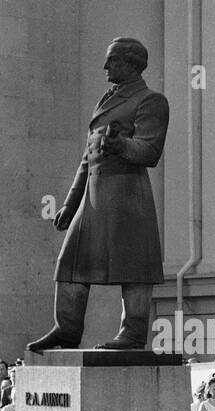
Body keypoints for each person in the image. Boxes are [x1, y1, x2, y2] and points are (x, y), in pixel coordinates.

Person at [28, 38, 170, 353]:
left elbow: (150, 150)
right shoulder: (107, 99)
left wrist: (120, 144)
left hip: (127, 197)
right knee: (70, 264)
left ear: (131, 64)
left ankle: (132, 334)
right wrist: (69, 203)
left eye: (112, 60)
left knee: (133, 268)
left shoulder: (151, 100)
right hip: (94, 198)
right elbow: (86, 160)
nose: (106, 66)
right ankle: (66, 330)